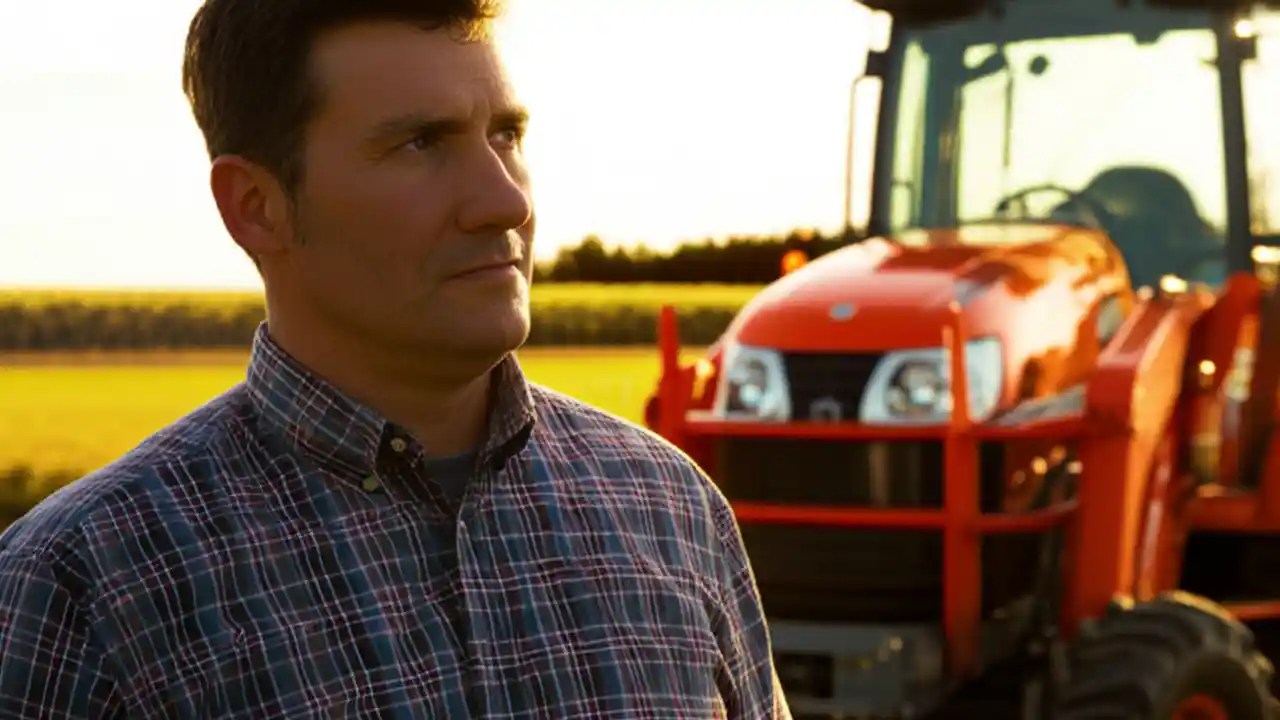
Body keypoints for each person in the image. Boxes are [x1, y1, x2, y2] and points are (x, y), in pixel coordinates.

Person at [0, 1, 791, 718]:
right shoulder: (86, 584)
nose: (506, 202)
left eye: (507, 136)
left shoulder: (670, 508)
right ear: (256, 207)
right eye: (421, 143)